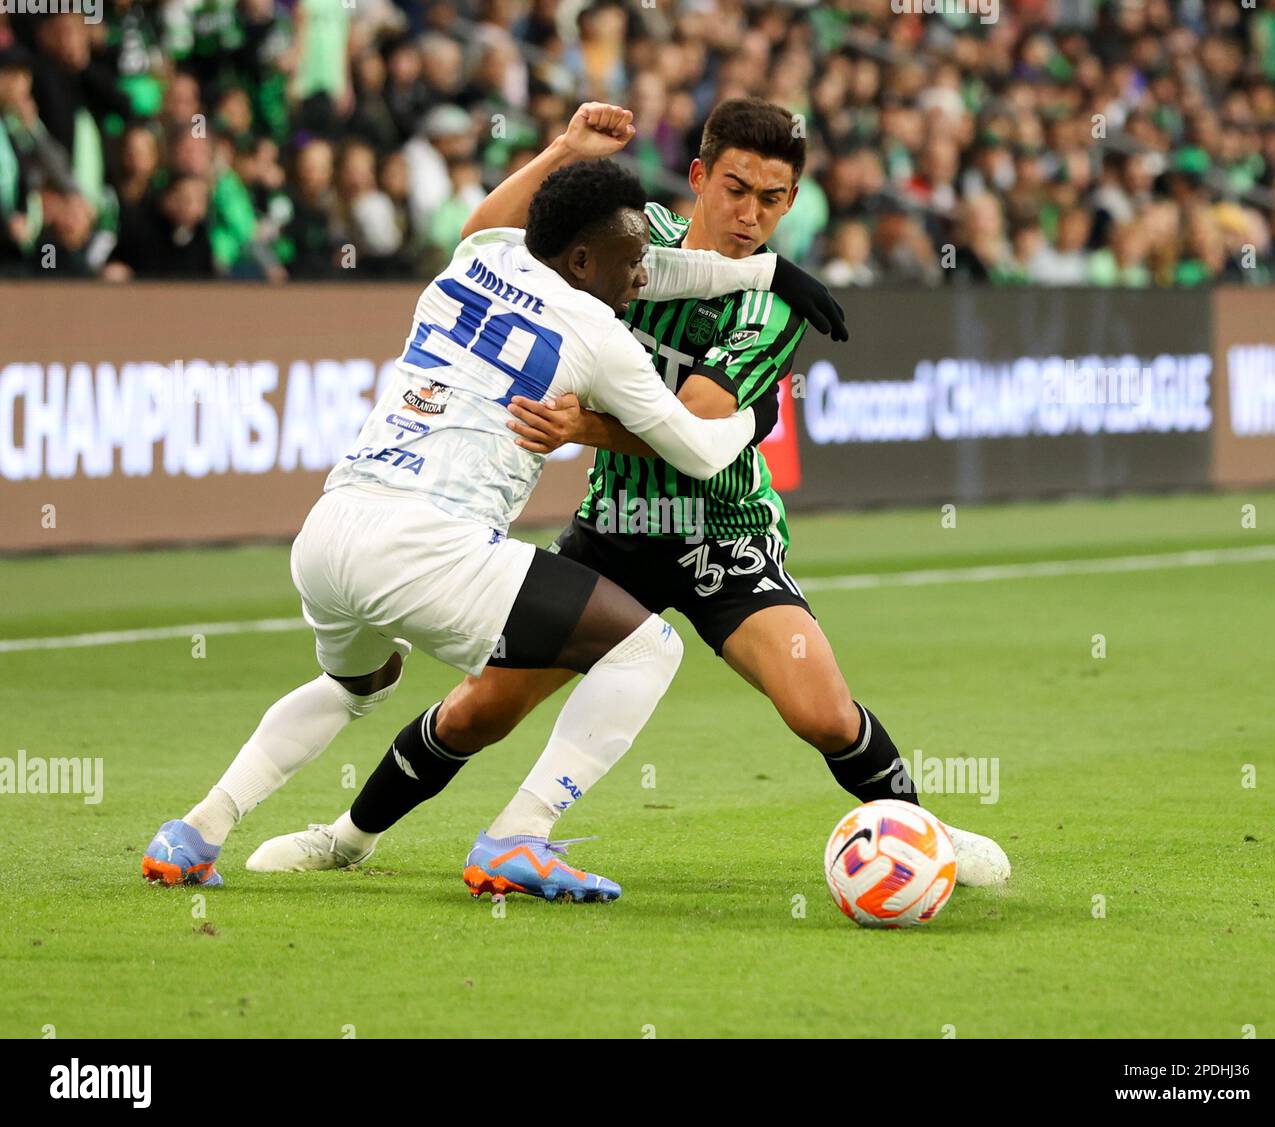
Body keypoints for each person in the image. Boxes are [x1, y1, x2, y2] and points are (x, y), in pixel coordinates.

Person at [252, 99, 1010, 896]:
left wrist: (586, 425)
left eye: (772, 199)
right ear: (697, 178)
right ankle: (346, 837)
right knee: (480, 709)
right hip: (615, 530)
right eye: (735, 188)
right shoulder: (628, 233)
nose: (750, 215)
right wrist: (562, 150)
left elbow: (701, 432)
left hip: (722, 530)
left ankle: (921, 836)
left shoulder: (772, 306)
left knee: (820, 710)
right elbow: (486, 237)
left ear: (792, 202)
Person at [141, 151, 847, 899]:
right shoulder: (602, 337)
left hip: (331, 528)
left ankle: (195, 832)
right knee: (648, 649)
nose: (644, 278)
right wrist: (756, 414)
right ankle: (518, 837)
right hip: (429, 544)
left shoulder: (480, 255)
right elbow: (703, 452)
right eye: (632, 263)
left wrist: (768, 273)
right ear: (582, 259)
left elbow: (636, 264)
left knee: (358, 683)